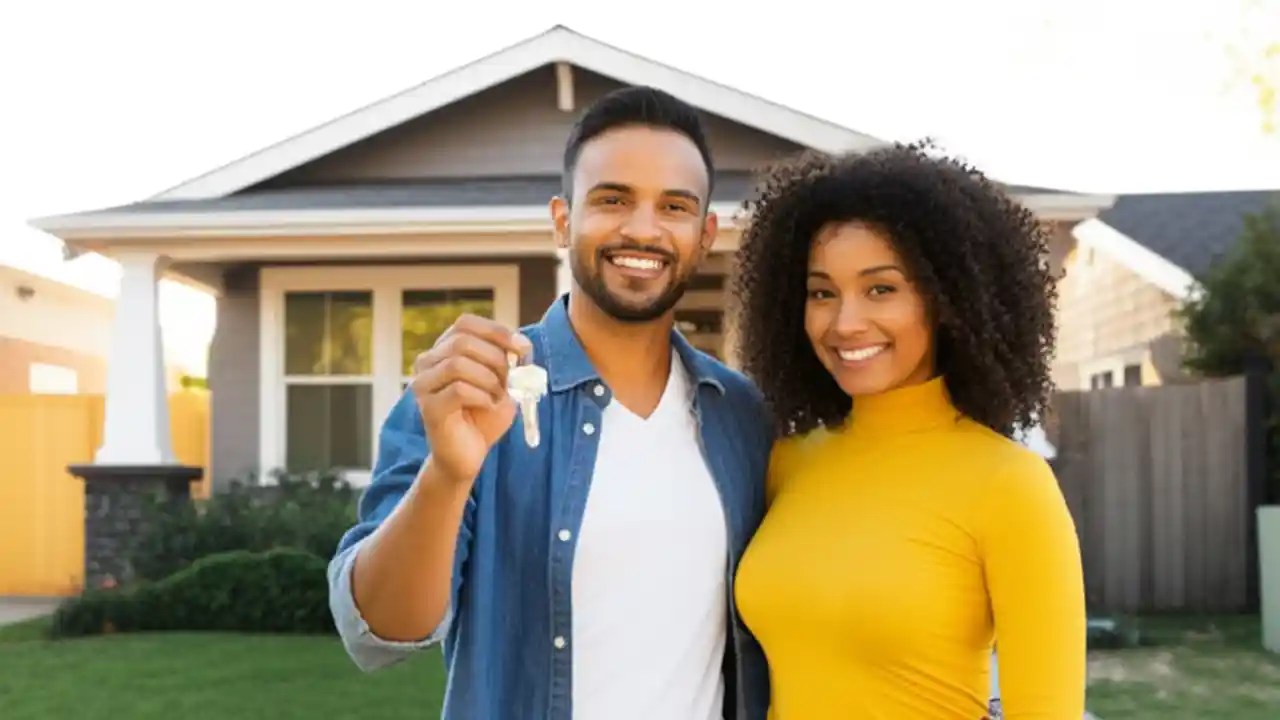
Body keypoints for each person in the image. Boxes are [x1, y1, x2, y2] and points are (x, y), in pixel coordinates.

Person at [327, 85, 772, 720]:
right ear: (563, 220)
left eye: (673, 207)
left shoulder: (742, 415)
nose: (642, 229)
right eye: (613, 199)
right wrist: (449, 473)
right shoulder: (473, 391)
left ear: (704, 236)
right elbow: (379, 631)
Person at [730, 144, 1087, 719]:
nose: (845, 323)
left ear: (947, 301)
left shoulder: (1009, 484)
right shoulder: (787, 463)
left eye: (881, 289)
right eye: (822, 293)